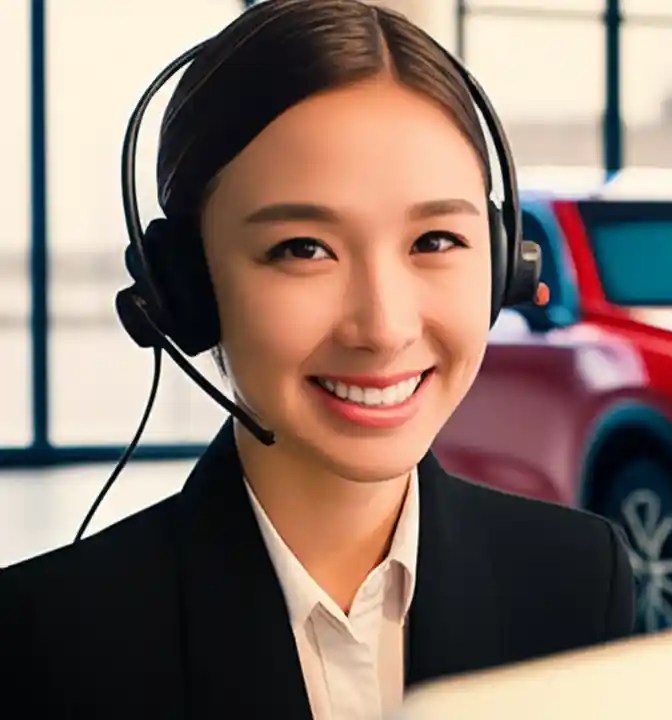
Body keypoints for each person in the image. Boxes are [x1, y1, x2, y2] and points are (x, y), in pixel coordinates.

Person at [0, 1, 635, 718]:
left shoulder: (579, 580)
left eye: (434, 241)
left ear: (503, 266)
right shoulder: (45, 641)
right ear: (184, 288)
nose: (384, 327)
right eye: (303, 249)